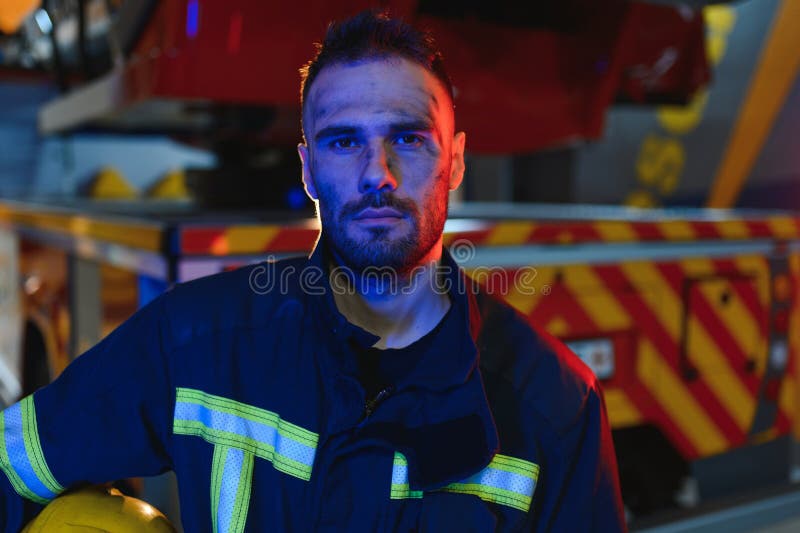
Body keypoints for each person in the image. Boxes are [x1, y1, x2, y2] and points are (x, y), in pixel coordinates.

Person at [0, 10, 626, 532]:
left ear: (455, 160)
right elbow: (12, 464)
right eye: (344, 141)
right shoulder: (193, 342)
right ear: (307, 169)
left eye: (409, 139)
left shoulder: (556, 407)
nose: (377, 174)